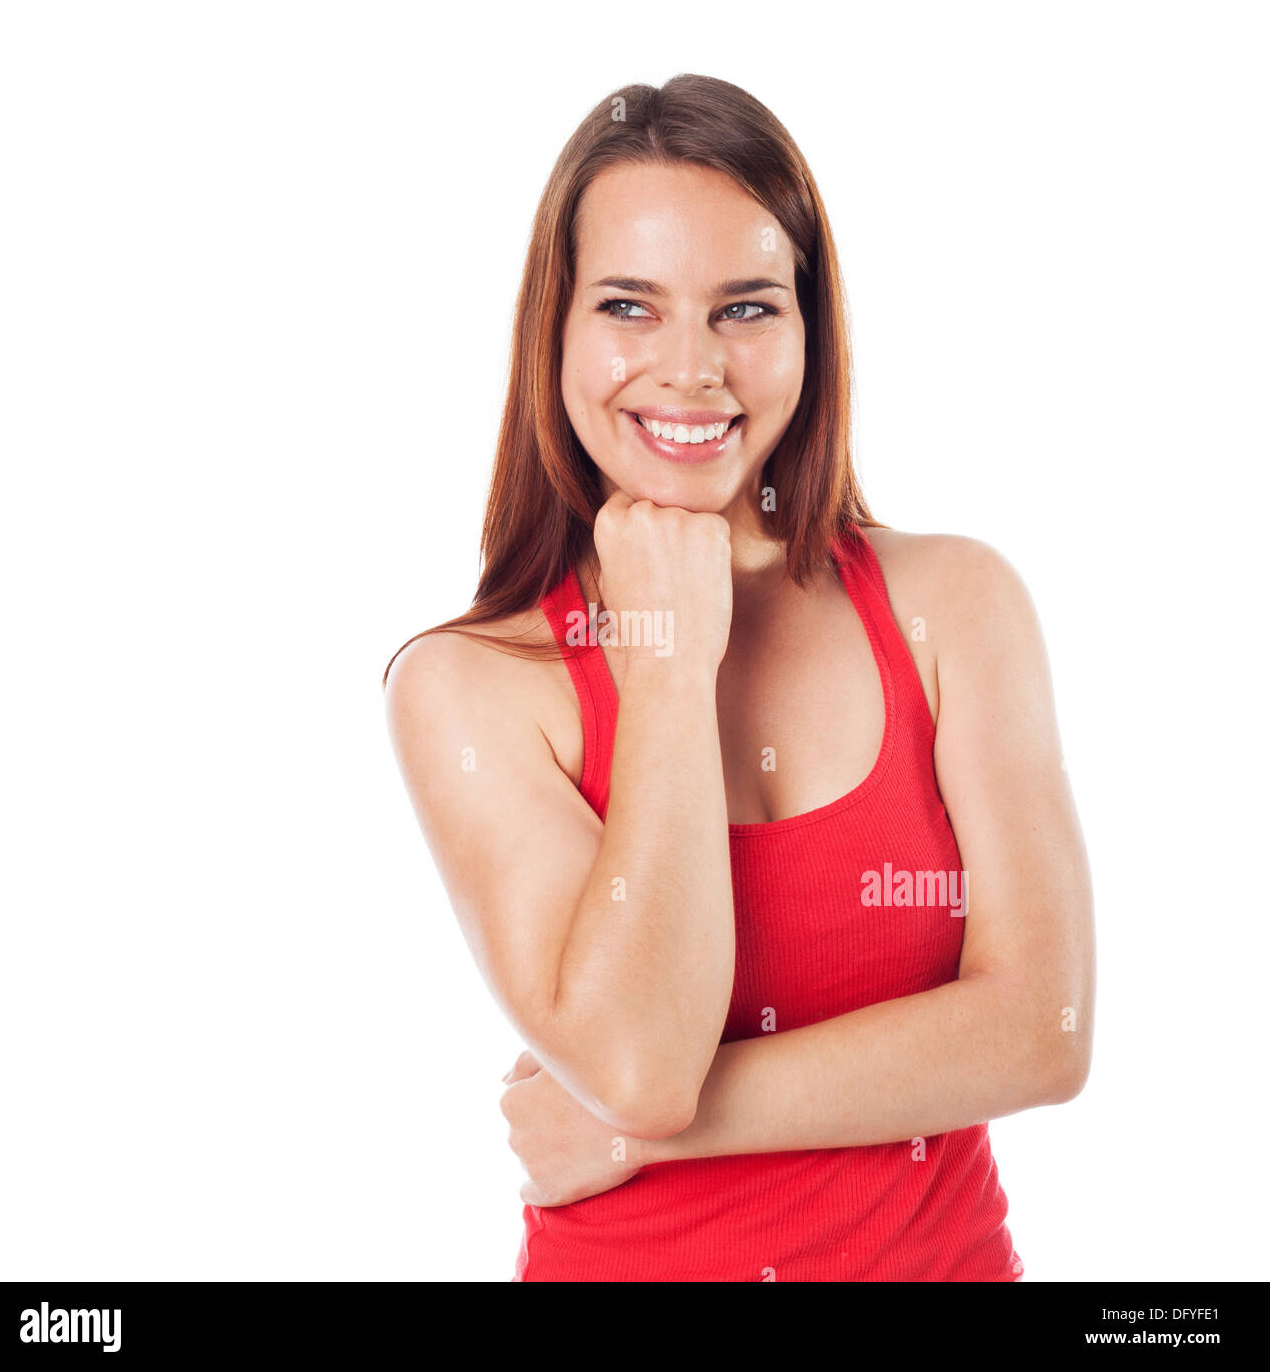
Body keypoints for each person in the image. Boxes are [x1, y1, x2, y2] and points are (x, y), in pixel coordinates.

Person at [382, 74, 1094, 1282]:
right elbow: (641, 1060)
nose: (690, 368)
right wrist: (666, 664)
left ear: (810, 335)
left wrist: (633, 1129)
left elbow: (1043, 1030)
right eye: (628, 305)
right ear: (554, 330)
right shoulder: (468, 686)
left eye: (745, 309)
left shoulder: (953, 605)